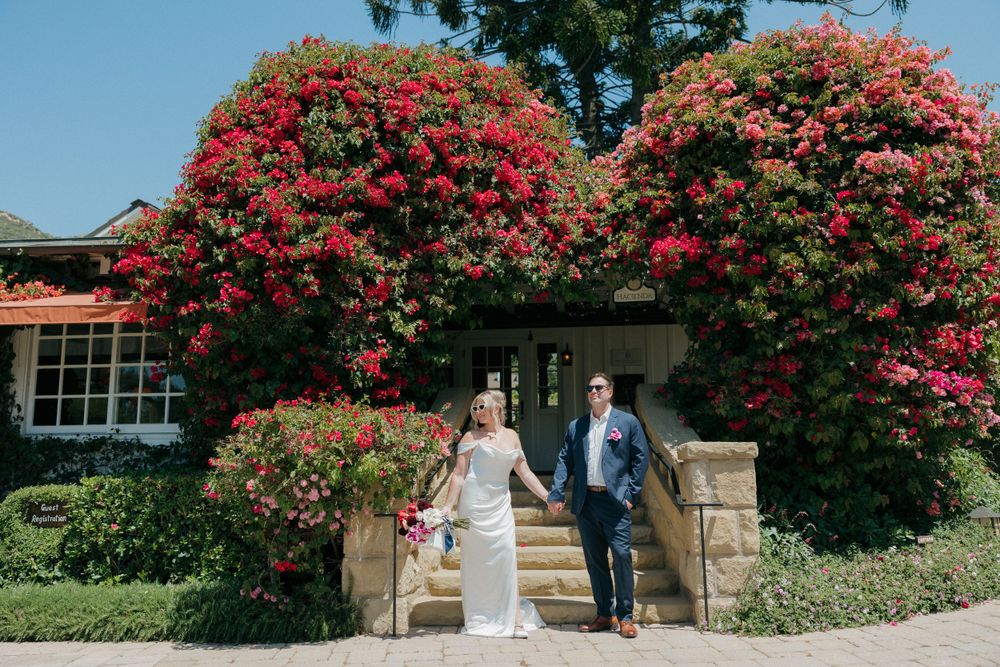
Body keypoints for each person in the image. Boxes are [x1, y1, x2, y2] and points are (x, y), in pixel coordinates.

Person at [547, 373, 649, 638]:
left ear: (610, 391)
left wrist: (631, 494)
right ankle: (605, 614)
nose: (594, 391)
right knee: (595, 561)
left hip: (615, 502)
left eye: (599, 387)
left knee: (622, 557)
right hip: (586, 501)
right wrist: (556, 493)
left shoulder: (627, 422)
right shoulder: (577, 426)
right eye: (590, 388)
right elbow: (563, 461)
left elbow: (640, 459)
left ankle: (626, 617)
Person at [441, 389, 550, 638]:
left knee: (507, 557)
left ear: (497, 409)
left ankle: (516, 621)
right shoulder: (470, 436)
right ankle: (480, 615)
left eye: (482, 406)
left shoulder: (512, 436)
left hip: (500, 507)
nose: (478, 412)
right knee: (476, 562)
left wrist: (547, 496)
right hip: (472, 507)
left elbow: (525, 472)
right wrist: (448, 506)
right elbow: (459, 475)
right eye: (475, 408)